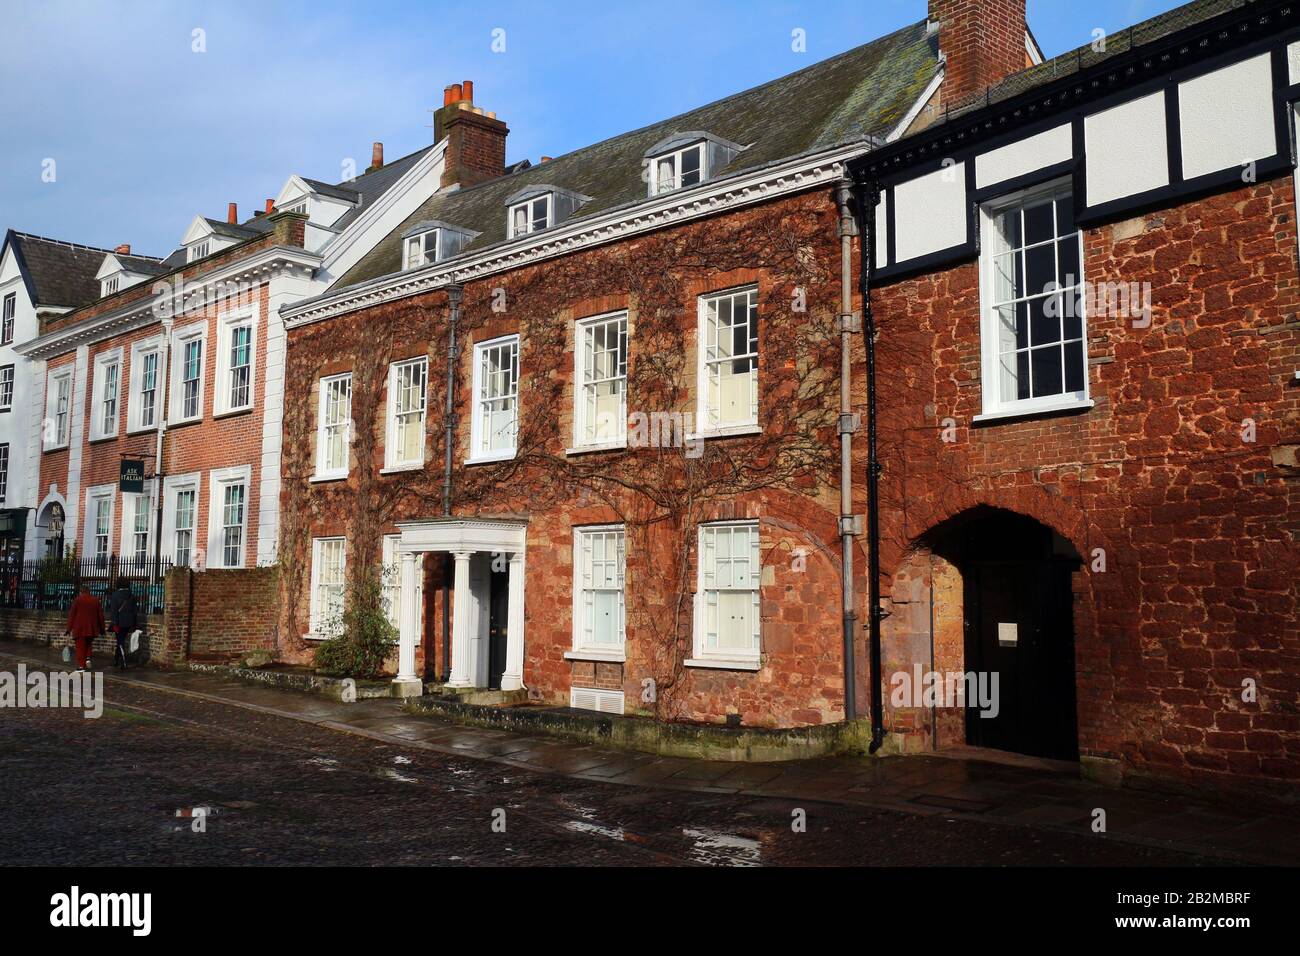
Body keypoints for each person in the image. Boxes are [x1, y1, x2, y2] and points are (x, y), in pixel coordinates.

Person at [65, 584, 105, 672]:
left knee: (80, 646)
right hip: (91, 627)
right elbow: (100, 616)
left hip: (80, 627)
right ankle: (88, 658)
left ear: (81, 591)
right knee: (88, 643)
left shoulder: (77, 600)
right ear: (89, 591)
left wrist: (68, 629)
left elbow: (72, 615)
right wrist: (102, 628)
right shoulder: (95, 600)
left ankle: (81, 666)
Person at [105, 579, 138, 670]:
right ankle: (116, 660)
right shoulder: (131, 595)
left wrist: (114, 622)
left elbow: (114, 610)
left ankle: (124, 661)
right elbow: (135, 611)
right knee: (121, 640)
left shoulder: (115, 595)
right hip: (129, 622)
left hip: (119, 622)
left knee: (120, 641)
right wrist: (134, 624)